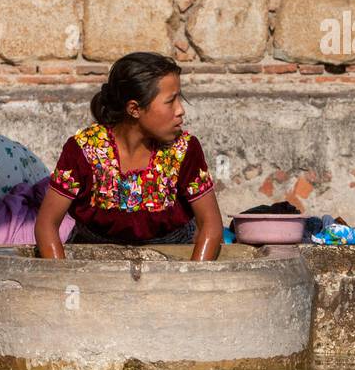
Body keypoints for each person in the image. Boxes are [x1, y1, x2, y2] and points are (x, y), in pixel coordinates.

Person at [34, 52, 223, 260]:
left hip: (172, 261)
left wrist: (191, 283)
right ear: (134, 109)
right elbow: (46, 225)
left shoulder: (184, 150)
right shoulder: (84, 150)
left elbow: (211, 225)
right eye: (170, 101)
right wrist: (63, 283)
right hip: (92, 263)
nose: (180, 110)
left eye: (180, 98)